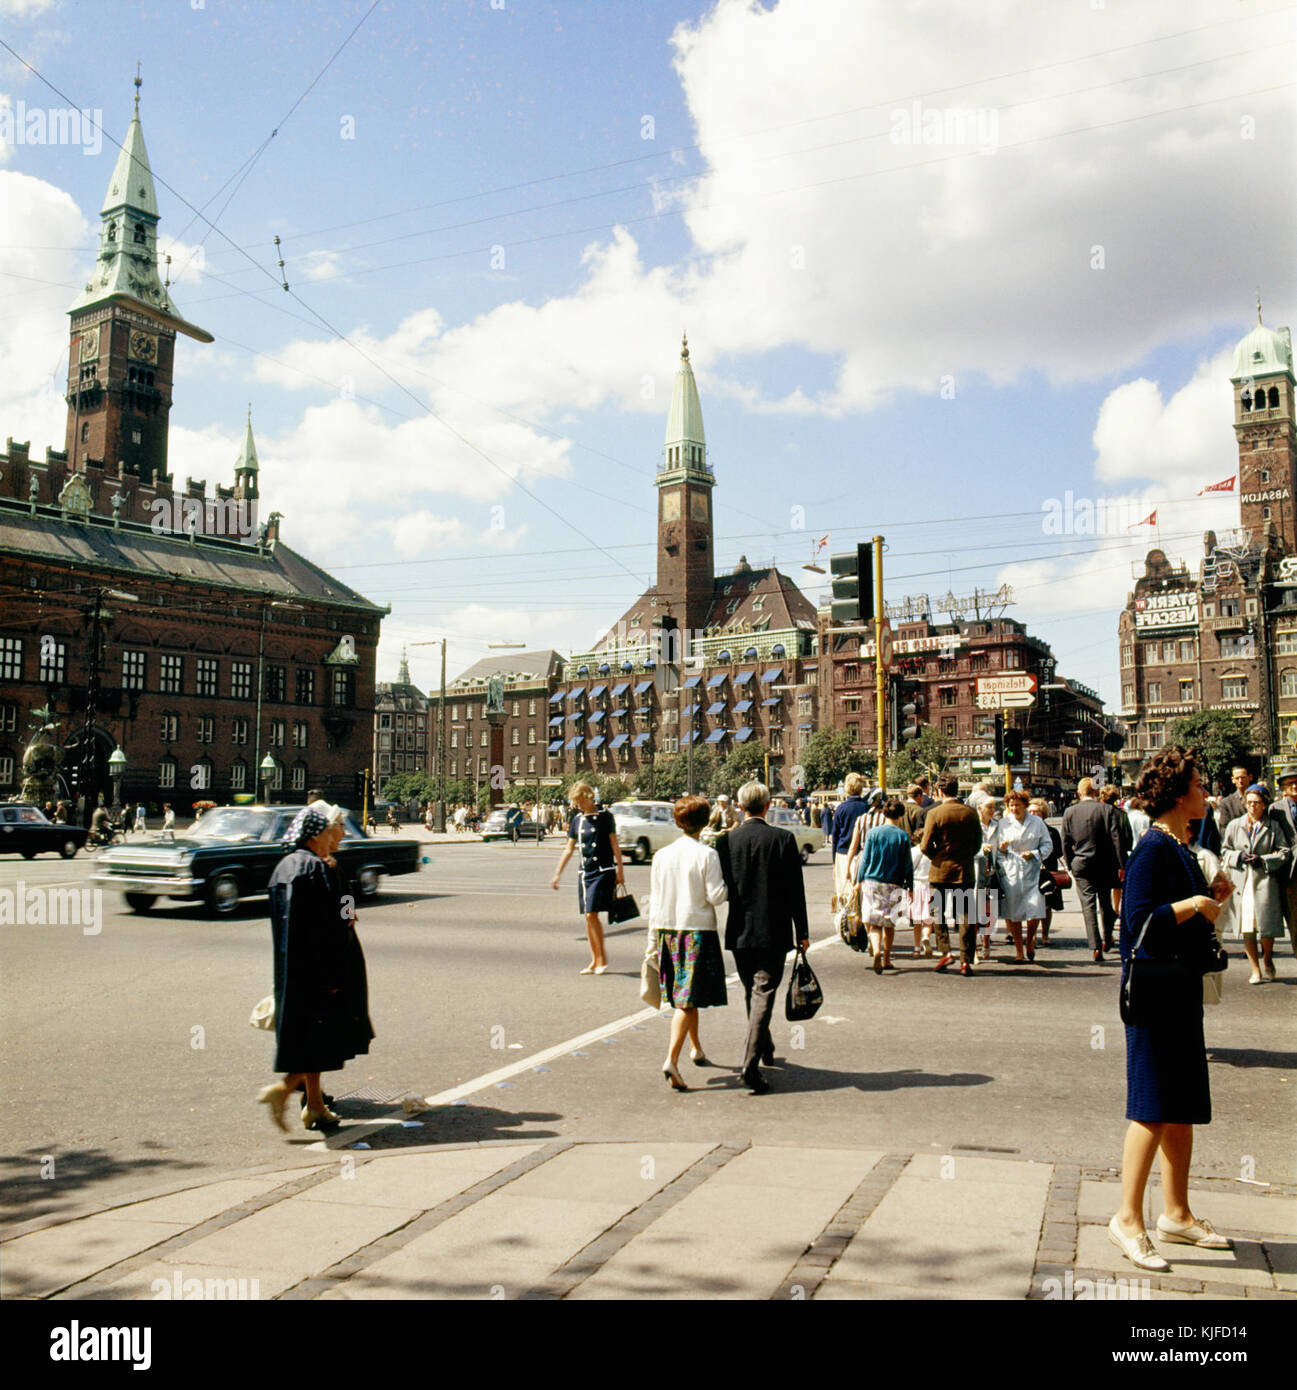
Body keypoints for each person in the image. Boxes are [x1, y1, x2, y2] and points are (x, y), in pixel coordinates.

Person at [1108, 747, 1234, 1272]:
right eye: (1200, 785)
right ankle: (1127, 1219)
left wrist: (1211, 897)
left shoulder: (1180, 845)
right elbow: (1133, 923)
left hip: (1179, 991)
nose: (1205, 792)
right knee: (1153, 1106)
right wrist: (1193, 905)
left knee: (1179, 1106)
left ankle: (1176, 1213)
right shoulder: (1152, 848)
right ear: (1181, 795)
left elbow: (1183, 917)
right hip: (1155, 996)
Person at [258, 803, 373, 1133]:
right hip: (321, 969)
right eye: (332, 831)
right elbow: (334, 922)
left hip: (292, 968)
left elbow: (343, 904)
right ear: (317, 835)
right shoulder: (316, 869)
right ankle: (284, 1091)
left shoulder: (287, 867)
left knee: (309, 1034)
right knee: (321, 1034)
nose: (338, 836)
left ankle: (315, 1106)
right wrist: (334, 972)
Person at [717, 781, 809, 1094]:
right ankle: (750, 1063)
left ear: (740, 807)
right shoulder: (783, 839)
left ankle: (764, 1045)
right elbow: (796, 891)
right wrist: (803, 932)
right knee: (763, 991)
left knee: (752, 990)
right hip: (774, 928)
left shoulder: (726, 842)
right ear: (768, 805)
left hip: (740, 929)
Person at [651, 796, 729, 1091]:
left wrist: (651, 944)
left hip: (668, 931)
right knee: (686, 1001)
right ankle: (671, 1058)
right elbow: (716, 896)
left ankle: (696, 1048)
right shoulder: (706, 855)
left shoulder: (662, 855)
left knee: (687, 996)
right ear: (706, 821)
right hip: (697, 931)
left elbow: (656, 901)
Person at [550, 781, 625, 974]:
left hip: (603, 870)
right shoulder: (578, 820)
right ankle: (594, 959)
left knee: (592, 914)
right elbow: (569, 848)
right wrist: (558, 873)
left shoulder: (605, 817)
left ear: (589, 797)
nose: (580, 806)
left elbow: (614, 844)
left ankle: (602, 959)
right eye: (577, 803)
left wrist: (620, 871)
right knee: (588, 917)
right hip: (585, 873)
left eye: (581, 801)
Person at [1220, 783, 1290, 983]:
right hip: (1242, 881)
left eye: (1257, 803)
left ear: (1264, 804)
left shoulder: (1273, 826)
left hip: (1264, 882)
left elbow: (1284, 852)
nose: (1252, 807)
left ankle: (1267, 956)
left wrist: (1264, 860)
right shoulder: (1235, 825)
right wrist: (1238, 856)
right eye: (1249, 802)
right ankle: (1255, 969)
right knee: (1247, 926)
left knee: (1266, 926)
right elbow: (1225, 850)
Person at [918, 777, 984, 976]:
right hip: (964, 870)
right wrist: (964, 856)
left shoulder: (935, 813)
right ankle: (966, 959)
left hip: (940, 870)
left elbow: (924, 845)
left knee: (937, 913)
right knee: (966, 915)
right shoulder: (970, 813)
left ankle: (945, 951)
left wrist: (937, 857)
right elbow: (977, 844)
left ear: (939, 791)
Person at [1062, 777, 1126, 962]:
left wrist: (1070, 864)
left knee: (1088, 905)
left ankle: (1095, 946)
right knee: (1105, 903)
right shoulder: (1107, 810)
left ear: (1079, 793)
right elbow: (1117, 839)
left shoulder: (1070, 812)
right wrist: (1121, 865)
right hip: (1105, 864)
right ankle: (1107, 938)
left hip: (1081, 864)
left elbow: (1066, 841)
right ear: (1096, 792)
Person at [855, 798, 913, 973]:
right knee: (889, 924)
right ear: (900, 815)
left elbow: (865, 859)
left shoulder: (873, 833)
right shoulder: (902, 836)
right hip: (893, 883)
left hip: (872, 881)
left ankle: (876, 951)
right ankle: (887, 958)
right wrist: (910, 886)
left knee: (875, 923)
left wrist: (858, 880)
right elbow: (907, 864)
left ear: (884, 813)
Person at [995, 790, 1052, 962]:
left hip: (1033, 871)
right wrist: (1003, 850)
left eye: (1017, 805)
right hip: (1011, 871)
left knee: (1035, 909)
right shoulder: (1003, 824)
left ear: (1025, 805)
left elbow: (1047, 845)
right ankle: (1019, 949)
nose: (1014, 808)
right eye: (1011, 805)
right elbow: (997, 851)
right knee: (1013, 911)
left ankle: (1030, 940)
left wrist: (1034, 853)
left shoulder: (1037, 822)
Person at [829, 773, 869, 912]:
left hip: (843, 853)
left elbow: (835, 836)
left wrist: (834, 862)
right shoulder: (866, 807)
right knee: (860, 892)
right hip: (862, 853)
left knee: (844, 891)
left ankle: (846, 919)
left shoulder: (841, 808)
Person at [1029, 797, 1064, 947]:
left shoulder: (1052, 831)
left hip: (1048, 870)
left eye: (1036, 811)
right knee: (1031, 904)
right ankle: (1032, 936)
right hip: (1030, 870)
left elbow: (1058, 852)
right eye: (1030, 811)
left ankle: (1045, 934)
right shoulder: (1026, 830)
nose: (1033, 814)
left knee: (1047, 905)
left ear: (1043, 813)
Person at [974, 797, 1000, 961]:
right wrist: (981, 849)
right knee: (974, 910)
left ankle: (986, 941)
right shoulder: (972, 826)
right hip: (976, 872)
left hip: (993, 872)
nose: (992, 810)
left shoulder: (998, 826)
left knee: (990, 910)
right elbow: (966, 848)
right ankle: (974, 947)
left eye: (993, 807)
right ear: (979, 808)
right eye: (988, 807)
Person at [1214, 766, 1251, 830]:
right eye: (1237, 778)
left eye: (1243, 777)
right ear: (1233, 780)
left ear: (1250, 777)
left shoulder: (1259, 800)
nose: (1240, 781)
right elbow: (1224, 828)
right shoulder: (1226, 803)